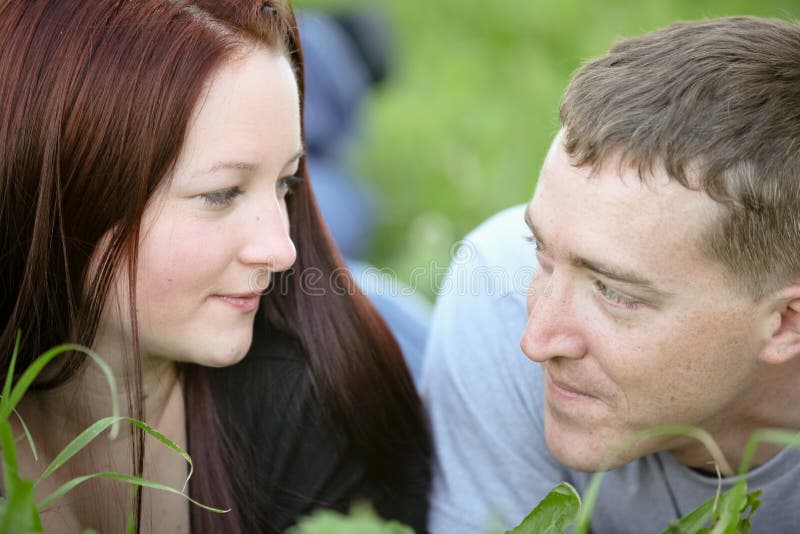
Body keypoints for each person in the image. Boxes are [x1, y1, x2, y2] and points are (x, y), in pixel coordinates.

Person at [0, 1, 430, 533]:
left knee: (338, 199)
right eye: (221, 194)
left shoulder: (317, 400)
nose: (282, 249)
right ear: (67, 187)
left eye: (288, 184)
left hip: (379, 308)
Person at [422, 16, 800, 533]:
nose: (535, 341)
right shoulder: (498, 281)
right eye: (543, 252)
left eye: (613, 292)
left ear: (785, 322)